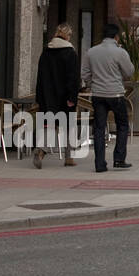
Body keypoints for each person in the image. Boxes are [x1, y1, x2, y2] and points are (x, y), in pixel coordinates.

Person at [81, 23, 134, 172]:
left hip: (97, 95)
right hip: (116, 94)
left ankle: (99, 164)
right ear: (116, 36)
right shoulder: (120, 52)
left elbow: (84, 73)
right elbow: (129, 71)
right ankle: (119, 159)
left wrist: (93, 83)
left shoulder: (91, 52)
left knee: (98, 128)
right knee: (122, 125)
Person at [34, 23, 80, 168]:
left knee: (49, 125)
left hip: (47, 97)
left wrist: (39, 98)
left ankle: (41, 150)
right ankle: (69, 157)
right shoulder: (70, 53)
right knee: (69, 126)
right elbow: (73, 78)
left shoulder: (46, 52)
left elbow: (40, 77)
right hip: (65, 97)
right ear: (67, 35)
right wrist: (73, 97)